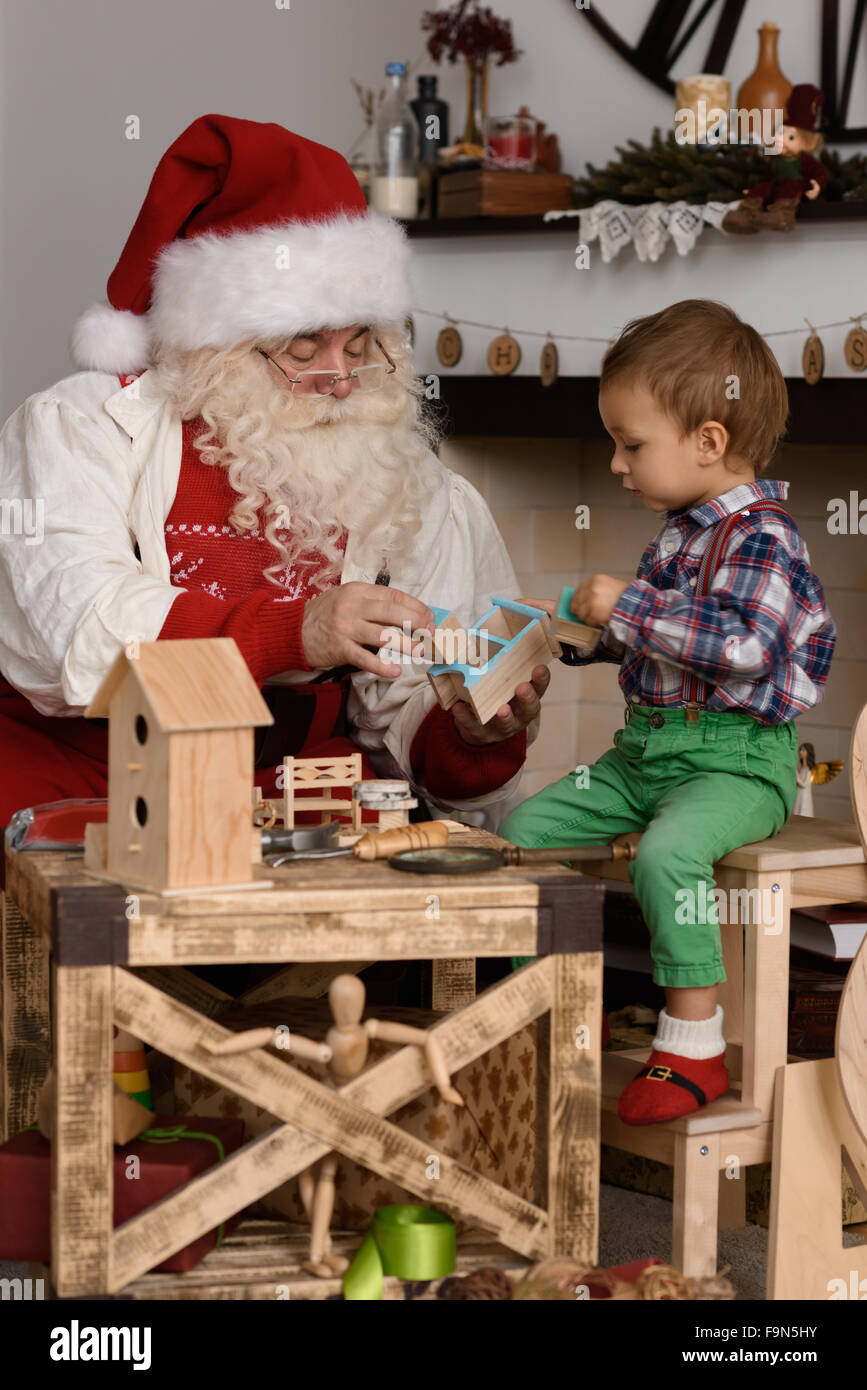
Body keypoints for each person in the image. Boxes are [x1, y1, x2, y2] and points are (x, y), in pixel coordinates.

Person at [0, 113, 550, 833]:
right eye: (302, 347)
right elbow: (76, 629)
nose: (340, 378)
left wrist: (475, 731)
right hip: (93, 771)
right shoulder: (79, 425)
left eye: (361, 346)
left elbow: (404, 706)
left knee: (407, 886)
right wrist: (297, 631)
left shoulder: (400, 472)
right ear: (217, 346)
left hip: (290, 786)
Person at [503, 299, 836, 1125]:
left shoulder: (764, 539)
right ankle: (534, 1014)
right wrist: (587, 638)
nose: (616, 464)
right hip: (645, 754)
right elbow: (676, 652)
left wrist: (628, 606)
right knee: (520, 837)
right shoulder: (678, 534)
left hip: (735, 762)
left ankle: (693, 1044)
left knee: (666, 857)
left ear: (708, 442)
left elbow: (743, 649)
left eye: (631, 443)